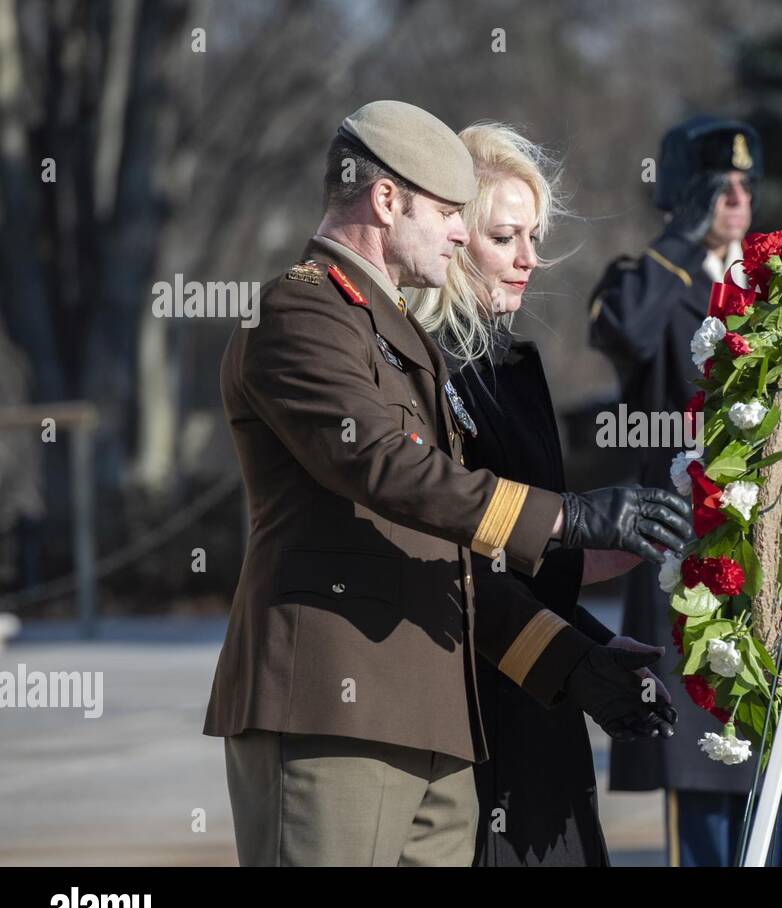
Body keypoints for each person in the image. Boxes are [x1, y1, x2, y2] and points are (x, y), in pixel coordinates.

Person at [204, 101, 691, 867]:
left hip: (437, 724)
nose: (461, 232)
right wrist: (573, 518)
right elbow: (386, 470)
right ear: (387, 200)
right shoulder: (299, 308)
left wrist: (573, 659)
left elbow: (450, 554)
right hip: (336, 708)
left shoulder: (396, 337)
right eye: (446, 212)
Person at [405, 122, 666, 865]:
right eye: (506, 236)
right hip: (474, 701)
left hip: (542, 684)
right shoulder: (431, 370)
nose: (531, 257)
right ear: (455, 239)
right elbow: (455, 559)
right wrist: (572, 651)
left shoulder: (512, 362)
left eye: (535, 234)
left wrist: (598, 618)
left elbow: (528, 550)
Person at [590, 116, 782, 866]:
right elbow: (625, 336)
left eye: (745, 186)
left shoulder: (781, 282)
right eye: (718, 187)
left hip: (770, 543)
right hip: (685, 547)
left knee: (779, 748)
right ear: (684, 194)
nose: (737, 200)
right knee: (699, 762)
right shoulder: (648, 279)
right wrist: (681, 240)